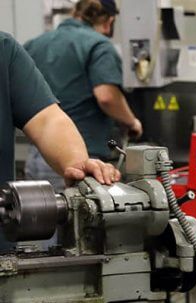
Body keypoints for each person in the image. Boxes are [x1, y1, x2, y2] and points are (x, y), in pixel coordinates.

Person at [1, 31, 122, 251]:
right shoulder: (97, 46)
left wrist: (76, 162)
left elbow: (46, 119)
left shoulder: (4, 49)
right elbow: (107, 95)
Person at [23, 0, 141, 190]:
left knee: (38, 216)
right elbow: (107, 97)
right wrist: (131, 122)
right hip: (80, 160)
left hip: (37, 156)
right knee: (76, 218)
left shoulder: (34, 44)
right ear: (109, 22)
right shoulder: (99, 45)